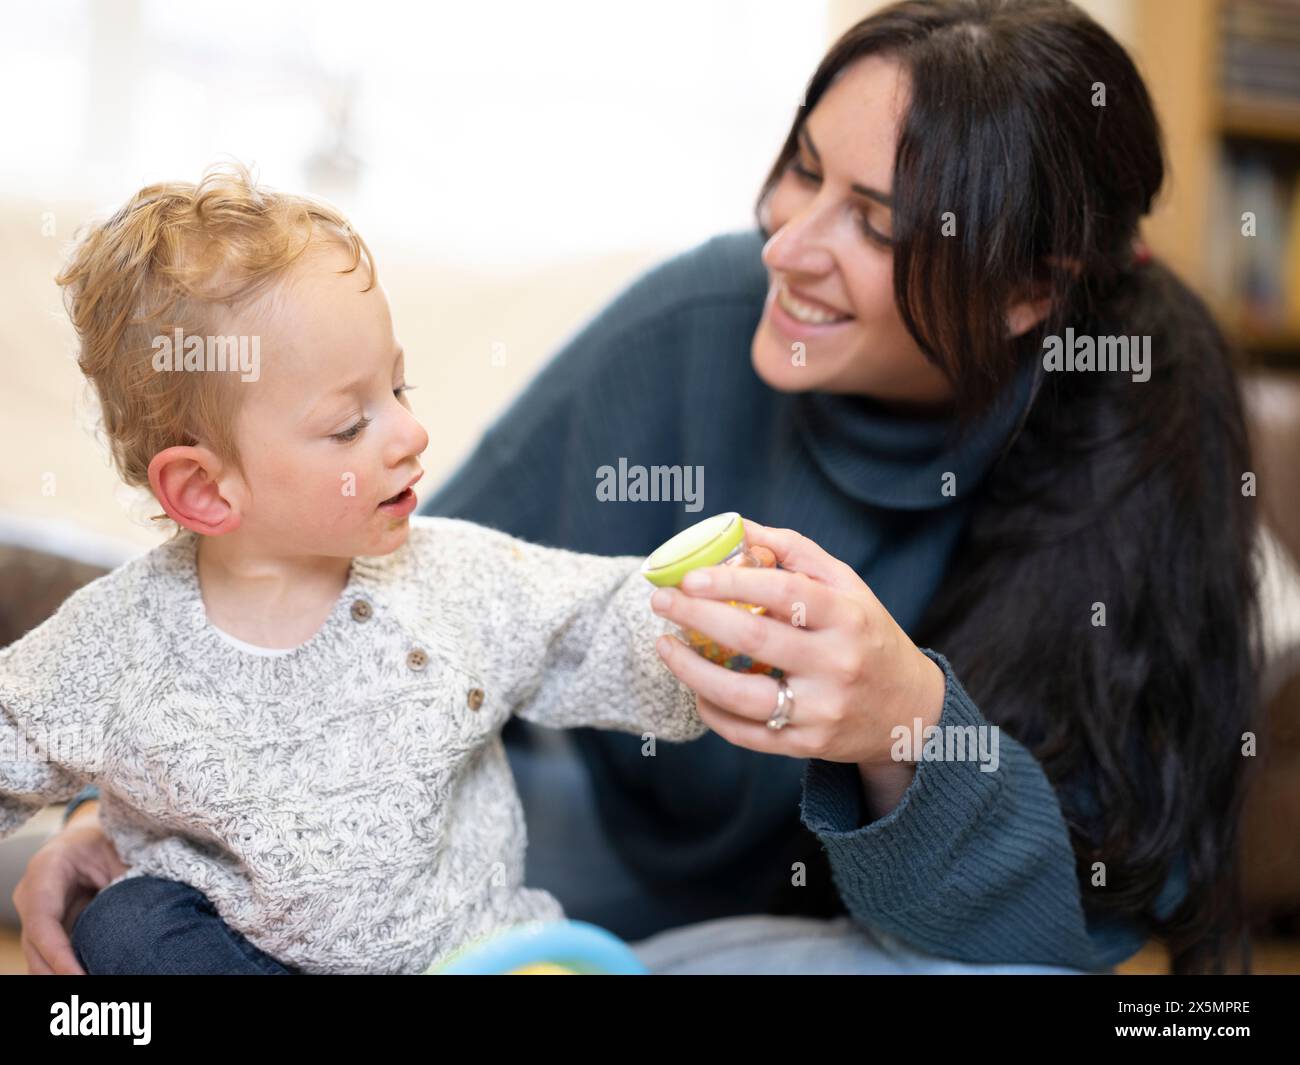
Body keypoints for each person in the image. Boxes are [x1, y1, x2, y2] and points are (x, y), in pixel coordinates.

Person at [24, 0, 1260, 976]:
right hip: (539, 884)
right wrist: (152, 818)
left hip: (803, 948)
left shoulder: (1132, 436)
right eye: (802, 171)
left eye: (876, 224)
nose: (786, 244)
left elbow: (1065, 937)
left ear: (1030, 292)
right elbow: (376, 607)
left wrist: (905, 728)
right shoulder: (697, 317)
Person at [2, 163, 712, 975]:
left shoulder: (451, 576)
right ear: (204, 487)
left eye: (399, 386)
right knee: (124, 923)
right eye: (349, 424)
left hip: (475, 958)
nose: (410, 432)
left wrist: (709, 610)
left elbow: (594, 619)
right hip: (248, 961)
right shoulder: (116, 644)